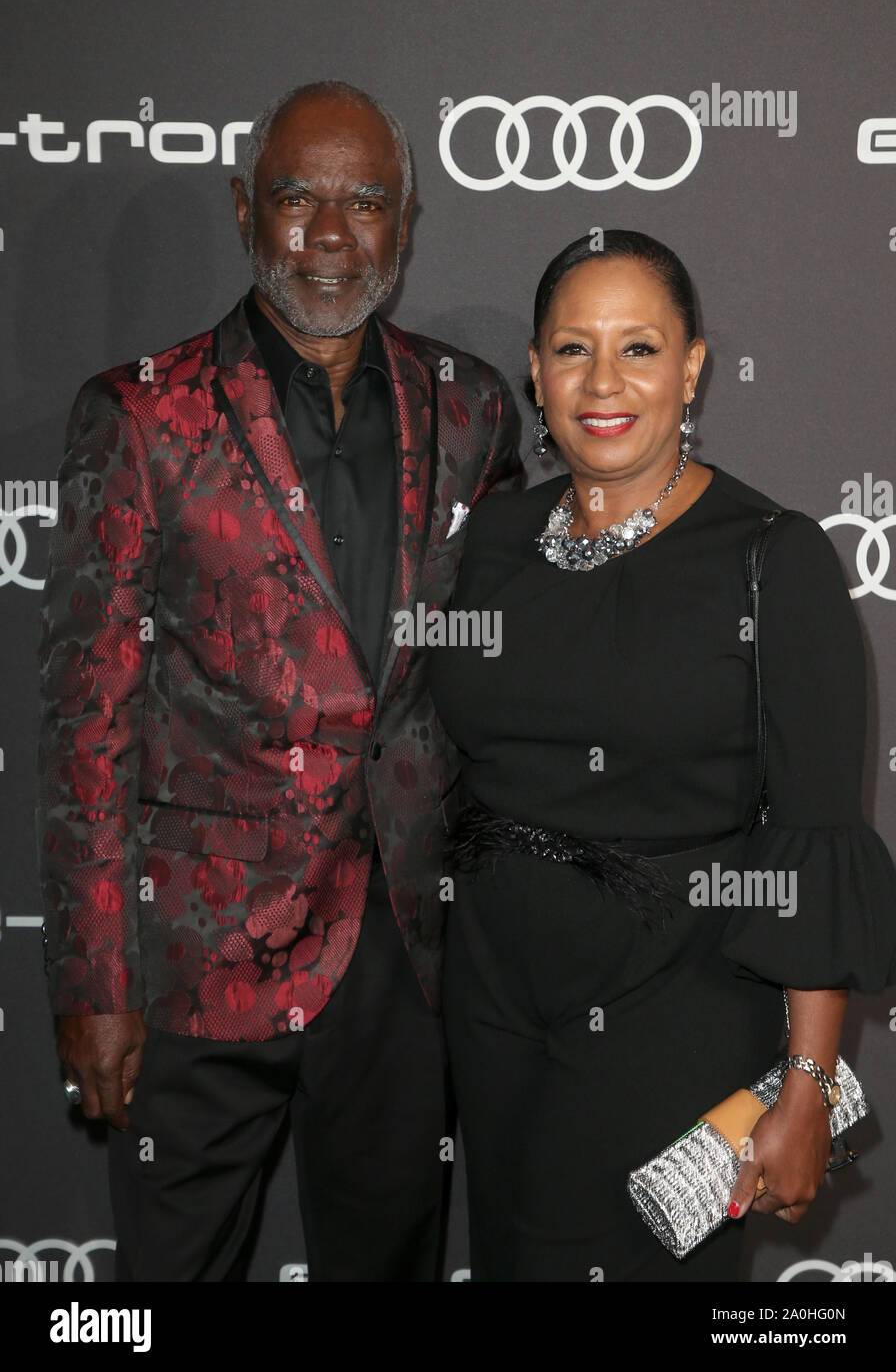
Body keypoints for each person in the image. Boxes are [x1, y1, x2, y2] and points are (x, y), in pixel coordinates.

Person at [35, 80, 522, 1282]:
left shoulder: (469, 409)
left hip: (399, 961)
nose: (330, 234)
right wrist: (94, 979)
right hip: (199, 960)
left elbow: (489, 677)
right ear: (244, 206)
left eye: (365, 204)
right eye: (299, 197)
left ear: (404, 228)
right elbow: (86, 719)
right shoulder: (139, 415)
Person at [427, 229, 896, 1282]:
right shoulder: (488, 544)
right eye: (570, 349)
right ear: (536, 372)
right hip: (492, 996)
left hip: (668, 994)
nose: (602, 382)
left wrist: (807, 1082)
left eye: (637, 349)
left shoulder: (770, 558)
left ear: (690, 367)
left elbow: (810, 837)